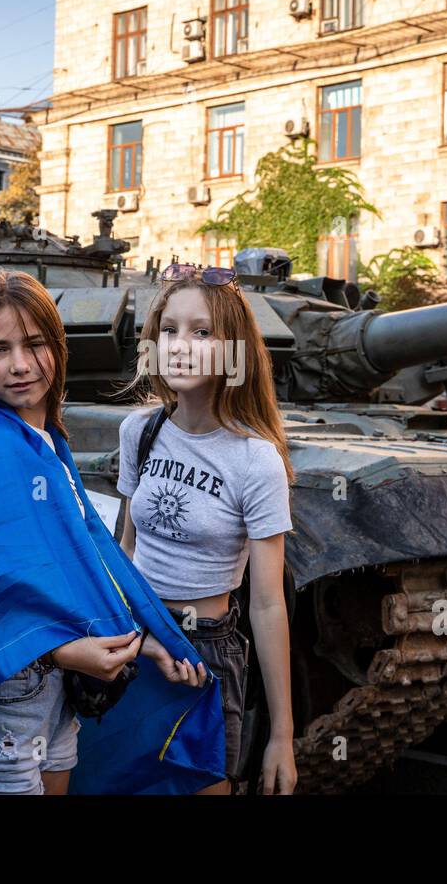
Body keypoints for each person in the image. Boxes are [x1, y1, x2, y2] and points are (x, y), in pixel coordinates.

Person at [0, 269, 204, 795]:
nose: (21, 365)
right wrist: (61, 652)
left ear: (58, 346)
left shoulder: (47, 442)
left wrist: (141, 641)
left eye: (34, 344)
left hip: (49, 696)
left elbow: (70, 569)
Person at [116, 262, 299, 795]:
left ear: (232, 348)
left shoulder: (255, 460)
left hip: (205, 654)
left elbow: (267, 605)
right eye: (168, 330)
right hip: (135, 642)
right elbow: (127, 546)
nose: (180, 345)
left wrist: (282, 735)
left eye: (201, 332)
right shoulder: (139, 432)